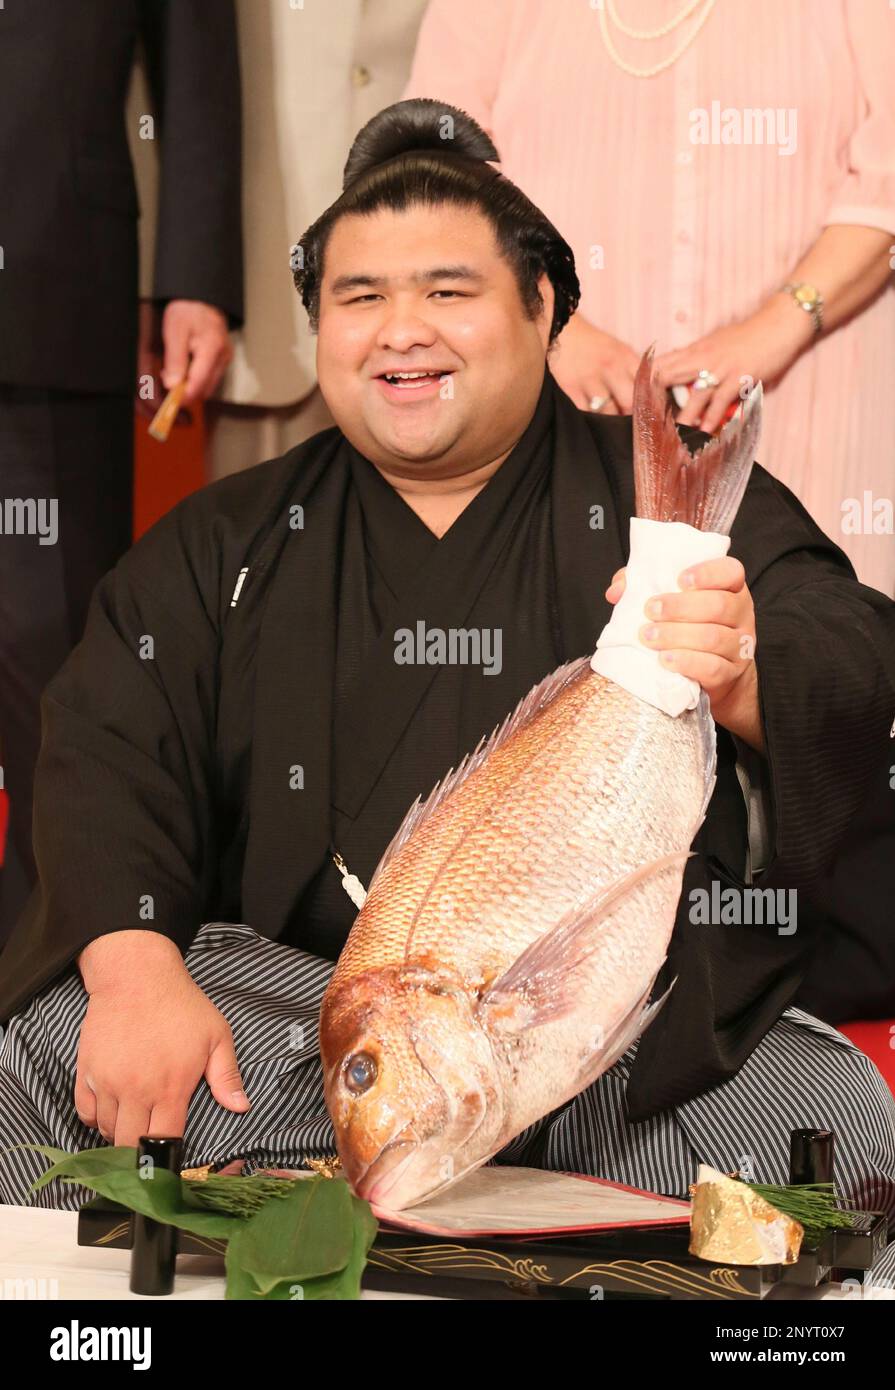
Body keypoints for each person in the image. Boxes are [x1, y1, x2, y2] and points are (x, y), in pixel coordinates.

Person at [1, 101, 894, 1286]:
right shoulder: (228, 540)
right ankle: (501, 1213)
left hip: (631, 1053)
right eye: (360, 297)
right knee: (44, 1048)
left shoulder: (652, 503)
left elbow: (847, 642)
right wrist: (135, 972)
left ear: (542, 308)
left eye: (447, 291)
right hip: (318, 1052)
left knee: (834, 1114)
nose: (401, 331)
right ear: (320, 328)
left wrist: (745, 673)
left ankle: (356, 1211)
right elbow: (102, 748)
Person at [404, 0, 895, 598]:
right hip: (565, 396)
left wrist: (781, 324)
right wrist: (553, 325)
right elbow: (435, 168)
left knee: (814, 625)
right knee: (576, 639)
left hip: (811, 386)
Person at [0, 0, 243, 945]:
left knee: (55, 674)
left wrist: (195, 276)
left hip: (49, 287)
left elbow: (195, 57)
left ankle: (43, 977)